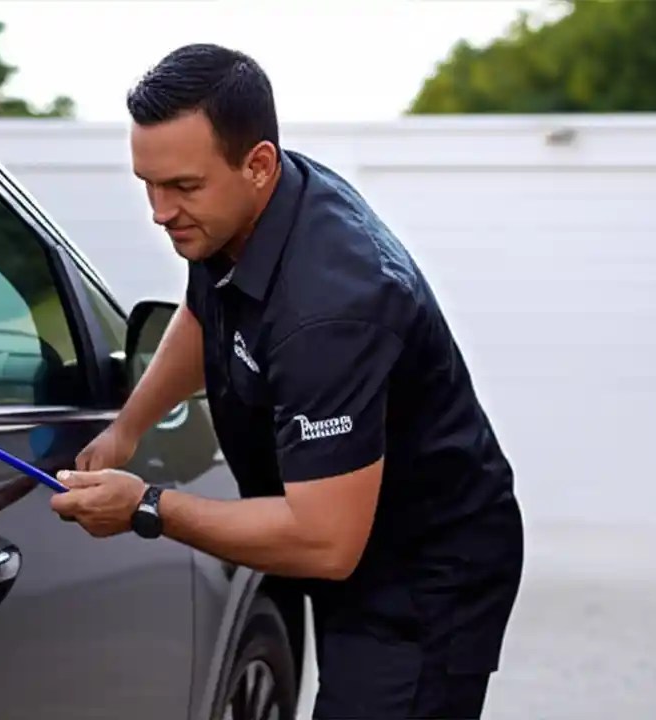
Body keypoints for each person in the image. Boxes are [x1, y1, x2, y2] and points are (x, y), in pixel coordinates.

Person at [48, 43, 524, 719]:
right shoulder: (238, 214)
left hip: (421, 577)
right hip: (349, 536)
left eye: (181, 186)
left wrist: (146, 507)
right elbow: (202, 312)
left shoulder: (332, 309)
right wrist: (128, 426)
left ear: (258, 164)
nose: (160, 211)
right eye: (147, 184)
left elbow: (325, 542)